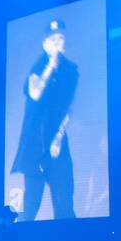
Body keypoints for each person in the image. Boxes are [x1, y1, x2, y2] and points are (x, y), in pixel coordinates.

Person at [11, 19, 78, 221]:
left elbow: (67, 108)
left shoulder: (70, 71)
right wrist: (50, 65)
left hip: (56, 143)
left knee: (64, 200)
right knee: (31, 202)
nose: (58, 42)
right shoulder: (38, 67)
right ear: (45, 43)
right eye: (53, 39)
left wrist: (58, 138)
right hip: (34, 144)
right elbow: (35, 93)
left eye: (61, 38)